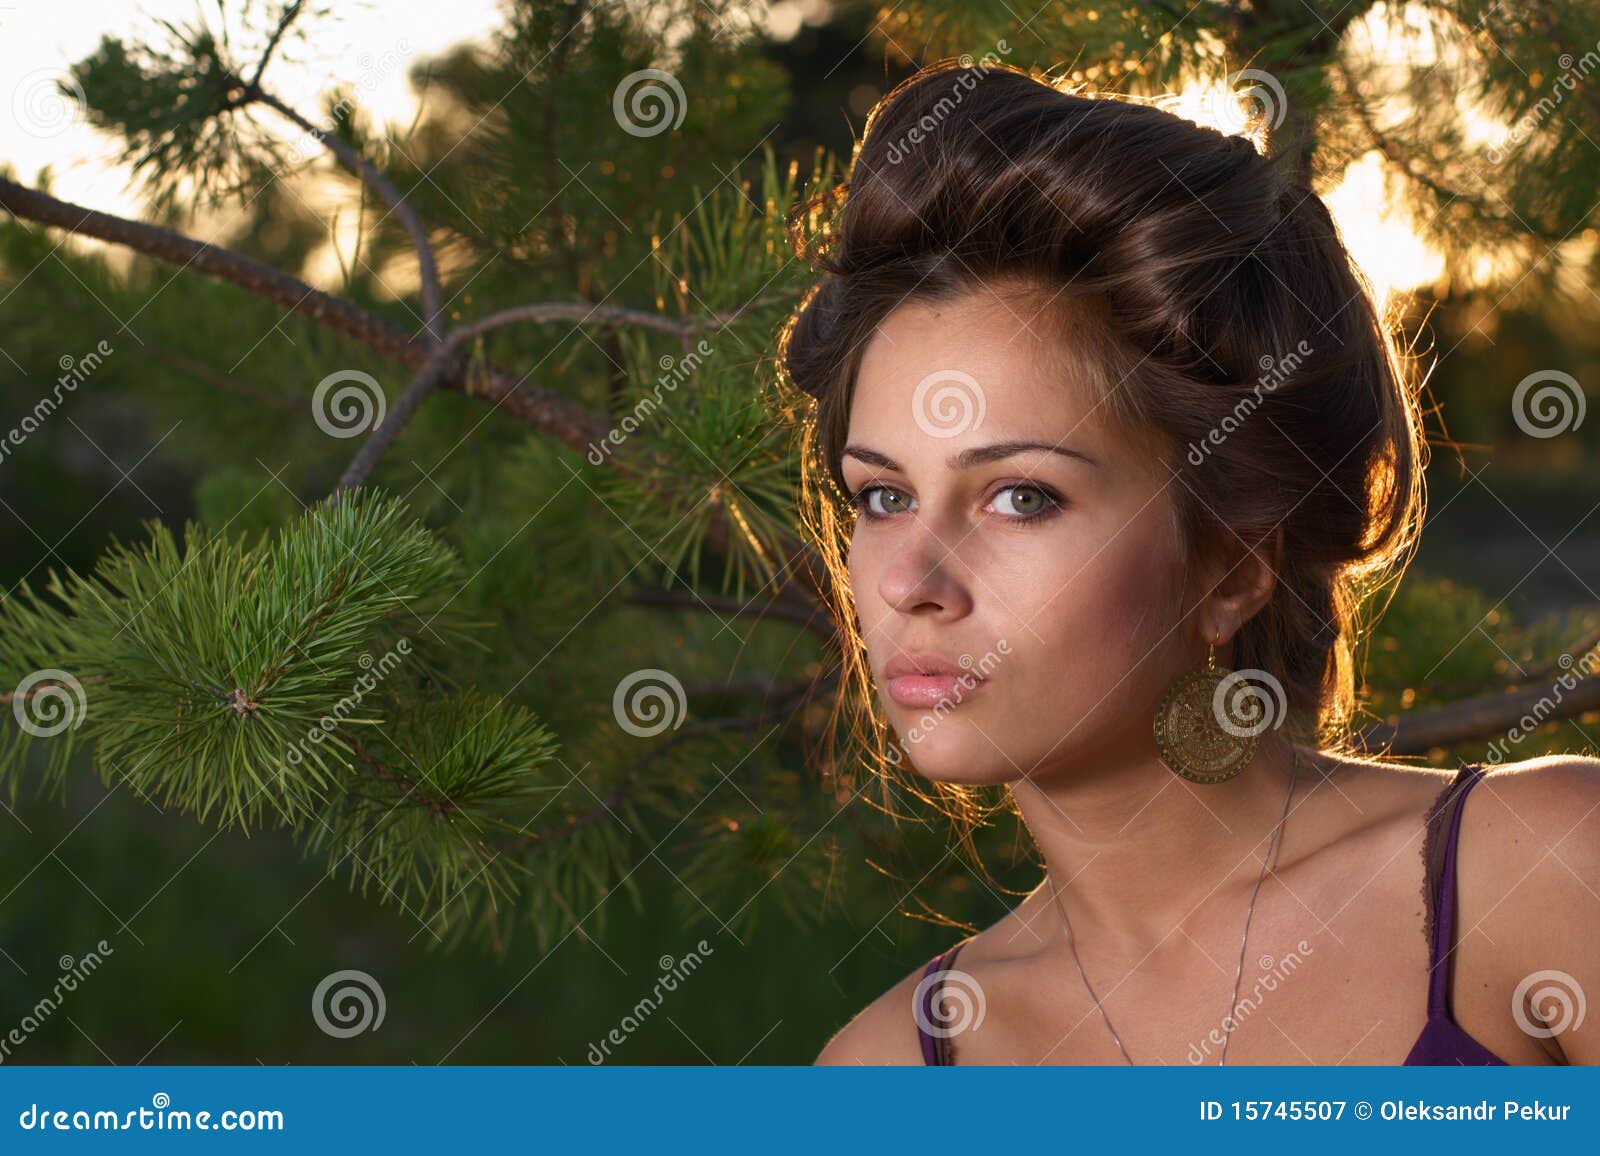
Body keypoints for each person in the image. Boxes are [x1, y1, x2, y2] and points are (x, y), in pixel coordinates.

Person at [780, 61, 1599, 1066]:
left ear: (1231, 567)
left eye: (1020, 497)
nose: (910, 581)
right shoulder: (884, 1073)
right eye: (885, 497)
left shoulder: (1544, 873)